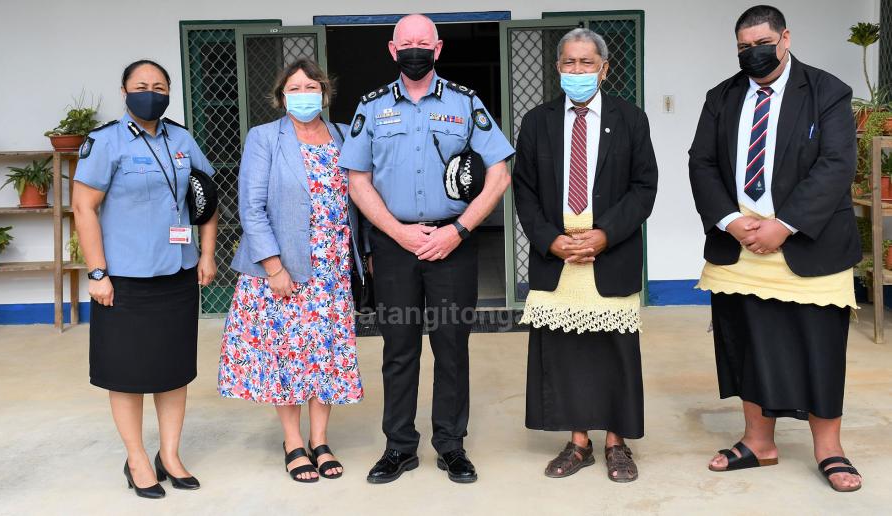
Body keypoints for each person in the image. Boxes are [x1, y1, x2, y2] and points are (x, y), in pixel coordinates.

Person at [689, 5, 863, 492]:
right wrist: (730, 220)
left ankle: (829, 448)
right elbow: (700, 162)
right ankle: (757, 442)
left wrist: (784, 225)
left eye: (761, 42)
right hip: (738, 243)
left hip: (808, 243)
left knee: (819, 348)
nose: (753, 53)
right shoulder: (721, 96)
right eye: (743, 47)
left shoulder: (827, 91)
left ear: (785, 38)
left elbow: (836, 164)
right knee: (747, 342)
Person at [339, 14, 514, 484]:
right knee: (398, 348)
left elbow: (499, 172)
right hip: (396, 248)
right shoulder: (371, 108)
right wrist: (397, 232)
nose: (415, 50)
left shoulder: (465, 102)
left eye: (424, 42)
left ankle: (451, 446)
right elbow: (357, 180)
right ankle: (399, 447)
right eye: (406, 43)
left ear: (437, 49)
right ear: (392, 50)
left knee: (451, 346)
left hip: (452, 245)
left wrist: (458, 229)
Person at [513, 28, 658, 483]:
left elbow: (644, 187)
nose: (577, 70)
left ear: (604, 69)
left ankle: (617, 442)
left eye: (586, 63)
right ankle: (579, 443)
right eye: (569, 63)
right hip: (558, 257)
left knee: (615, 351)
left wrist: (605, 234)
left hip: (608, 255)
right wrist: (550, 240)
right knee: (566, 352)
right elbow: (525, 190)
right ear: (558, 69)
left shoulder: (630, 118)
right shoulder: (537, 121)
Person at [73, 59, 218, 499]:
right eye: (141, 85)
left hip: (177, 272)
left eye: (158, 85)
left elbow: (206, 197)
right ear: (124, 91)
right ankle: (136, 458)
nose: (150, 92)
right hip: (125, 280)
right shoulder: (105, 142)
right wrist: (97, 272)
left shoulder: (181, 137)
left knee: (173, 371)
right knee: (128, 373)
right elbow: (84, 208)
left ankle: (169, 455)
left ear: (169, 91)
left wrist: (207, 254)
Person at [218, 58, 366, 483]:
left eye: (311, 87)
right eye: (295, 89)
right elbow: (251, 206)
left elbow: (357, 198)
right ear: (282, 96)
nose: (304, 95)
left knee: (326, 355)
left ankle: (319, 440)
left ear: (325, 91)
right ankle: (293, 442)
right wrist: (272, 266)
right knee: (287, 355)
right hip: (284, 268)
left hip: (332, 268)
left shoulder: (341, 135)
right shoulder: (265, 138)